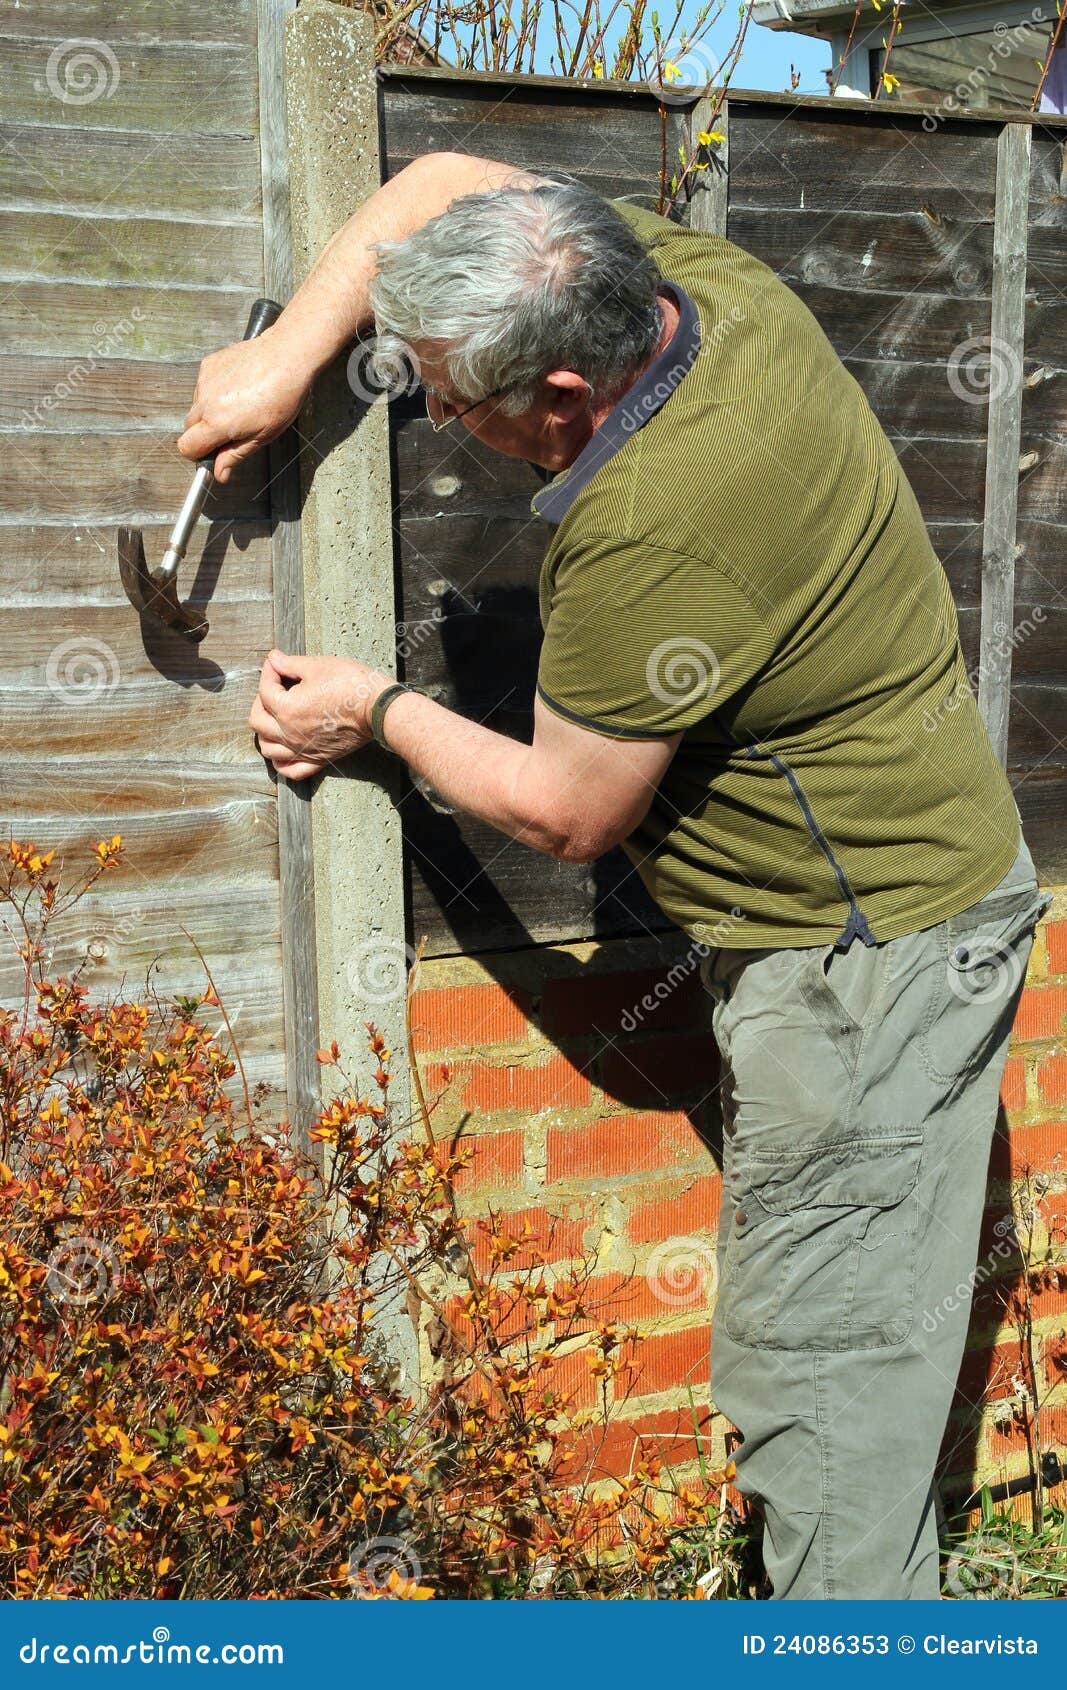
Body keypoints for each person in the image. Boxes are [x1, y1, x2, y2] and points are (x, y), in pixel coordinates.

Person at [178, 153, 1051, 1599]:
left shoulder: (654, 522)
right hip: (917, 899)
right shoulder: (689, 285)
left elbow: (569, 809)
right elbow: (445, 175)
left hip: (867, 968)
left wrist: (372, 712)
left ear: (565, 398)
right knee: (827, 1353)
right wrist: (289, 356)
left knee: (825, 1407)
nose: (432, 417)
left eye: (454, 399)